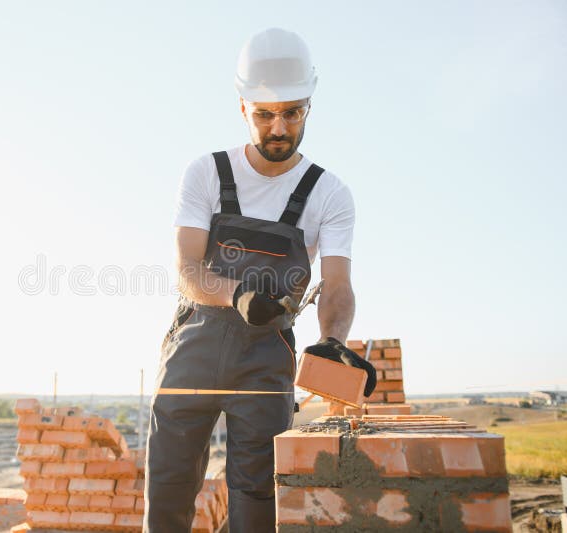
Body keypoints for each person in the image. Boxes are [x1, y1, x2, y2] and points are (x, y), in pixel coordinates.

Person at [143, 28, 377, 532]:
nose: (279, 127)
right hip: (194, 350)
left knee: (256, 508)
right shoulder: (205, 172)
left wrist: (333, 341)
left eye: (292, 112)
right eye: (265, 113)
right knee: (169, 492)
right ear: (242, 105)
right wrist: (236, 294)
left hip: (266, 360)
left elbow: (336, 285)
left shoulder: (329, 194)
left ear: (308, 107)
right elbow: (187, 271)